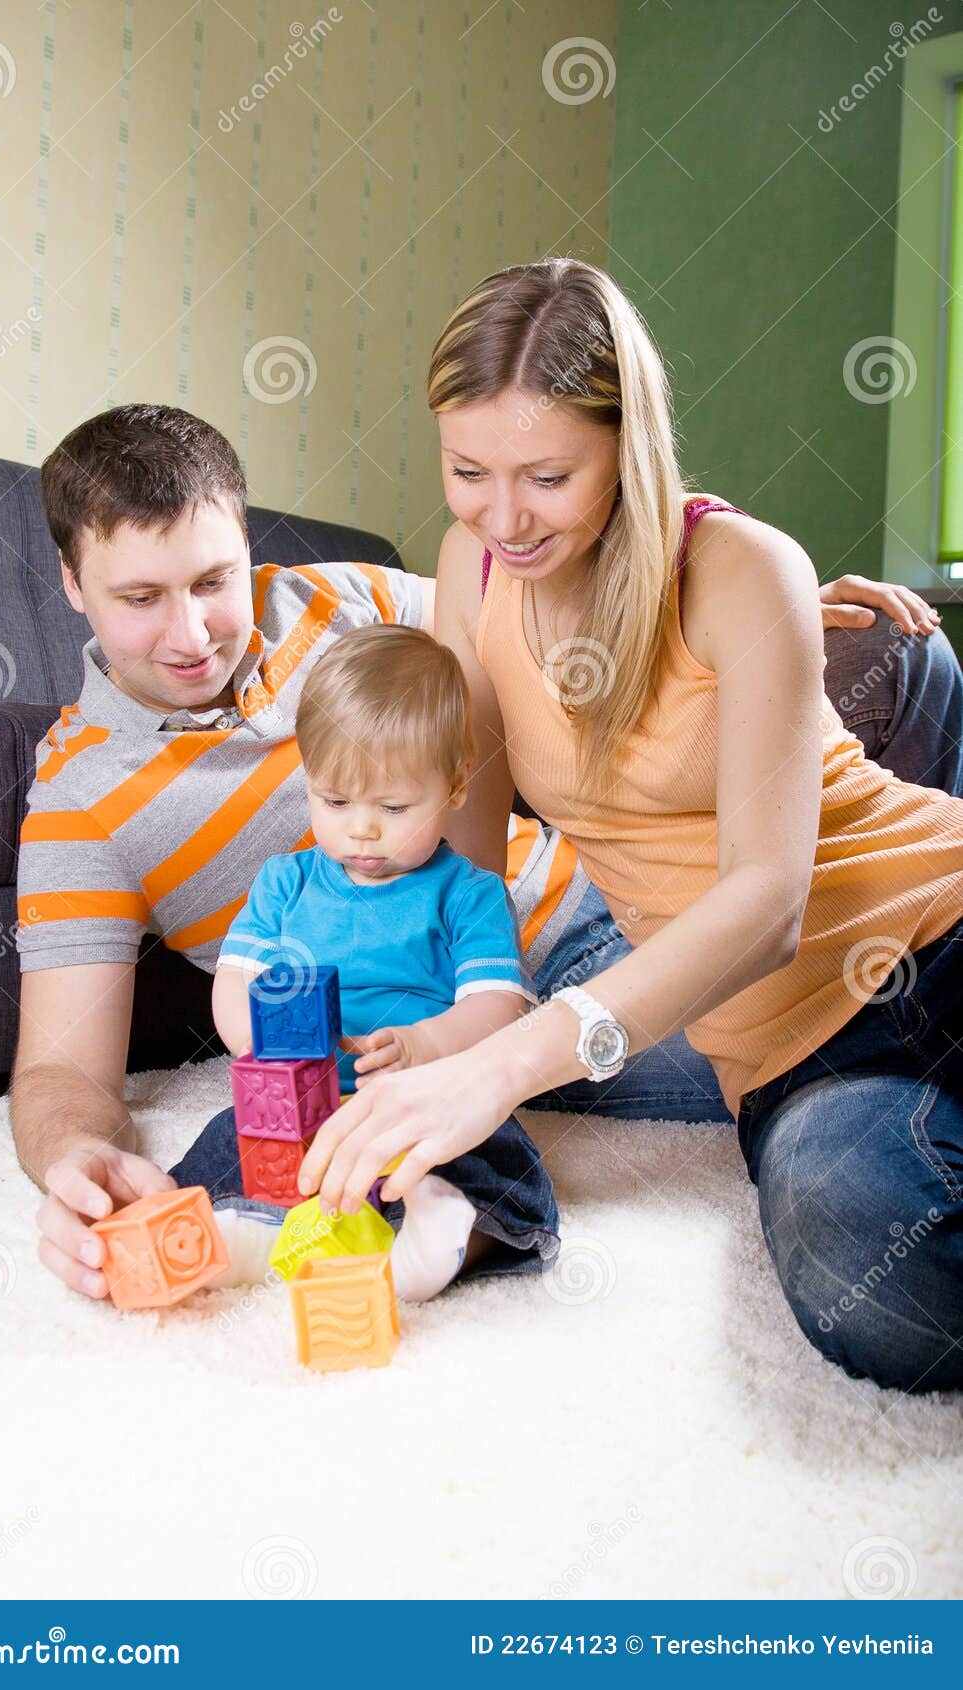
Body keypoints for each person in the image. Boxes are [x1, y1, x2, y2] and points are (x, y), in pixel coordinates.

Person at [17, 402, 961, 1325]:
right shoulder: (81, 795)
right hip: (442, 1033)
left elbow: (575, 599)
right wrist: (74, 1159)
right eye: (140, 599)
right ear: (71, 581)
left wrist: (771, 612)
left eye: (214, 581)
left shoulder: (359, 604)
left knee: (905, 665)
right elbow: (59, 1072)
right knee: (839, 1116)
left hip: (597, 922)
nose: (191, 635)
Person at [296, 258, 963, 1394]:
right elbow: (460, 851)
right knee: (869, 1277)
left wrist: (504, 1062)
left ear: (628, 448)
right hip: (795, 1056)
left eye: (548, 475)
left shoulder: (741, 570)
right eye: (467, 470)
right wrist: (429, 1045)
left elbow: (765, 903)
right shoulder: (473, 570)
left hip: (934, 926)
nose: (501, 515)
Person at [169, 622, 558, 1300]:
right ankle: (245, 1226)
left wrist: (427, 1043)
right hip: (298, 1102)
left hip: (419, 1101)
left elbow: (496, 1006)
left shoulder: (467, 894)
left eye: (393, 805)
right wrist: (262, 1051)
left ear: (455, 786)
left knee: (497, 1163)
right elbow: (236, 980)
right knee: (224, 1142)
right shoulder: (284, 883)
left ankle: (444, 1236)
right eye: (335, 800)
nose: (361, 828)